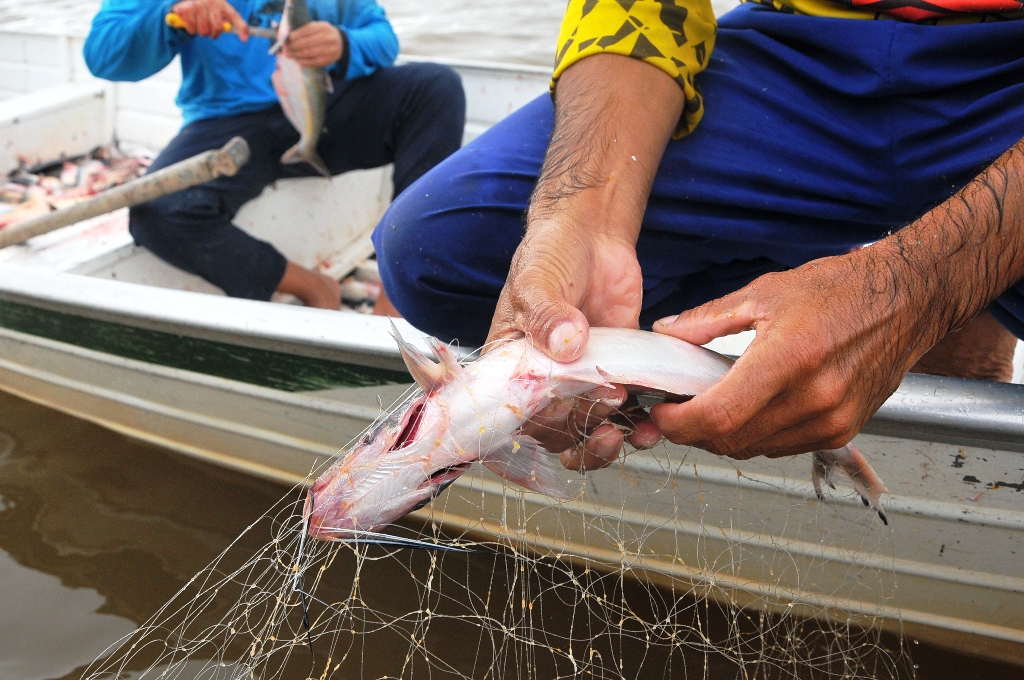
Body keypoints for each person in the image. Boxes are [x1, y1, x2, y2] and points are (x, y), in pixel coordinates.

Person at [372, 0, 1024, 470]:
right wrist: (585, 213)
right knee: (438, 246)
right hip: (803, 43)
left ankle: (952, 301)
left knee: (954, 277)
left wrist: (920, 286)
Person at [84, 0, 464, 309]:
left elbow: (382, 36)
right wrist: (172, 15)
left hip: (317, 111)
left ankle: (398, 298)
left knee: (435, 88)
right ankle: (311, 285)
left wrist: (344, 44)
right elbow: (102, 54)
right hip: (227, 124)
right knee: (156, 210)